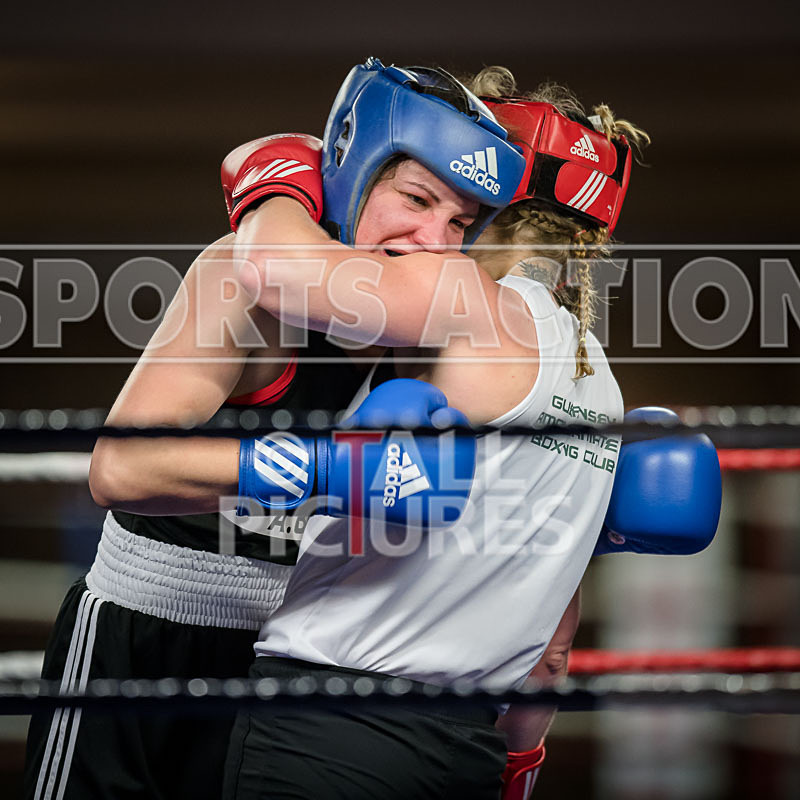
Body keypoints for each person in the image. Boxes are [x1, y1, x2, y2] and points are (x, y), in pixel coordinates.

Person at [23, 61, 523, 800]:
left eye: (458, 222)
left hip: (288, 657)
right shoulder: (241, 281)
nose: (431, 239)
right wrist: (324, 469)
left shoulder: (427, 315)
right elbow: (119, 471)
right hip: (140, 638)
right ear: (355, 174)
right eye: (415, 199)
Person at [218, 62, 679, 800]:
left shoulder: (461, 296)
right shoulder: (602, 384)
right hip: (466, 749)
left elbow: (270, 267)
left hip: (328, 729)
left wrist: (276, 180)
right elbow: (553, 652)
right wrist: (518, 768)